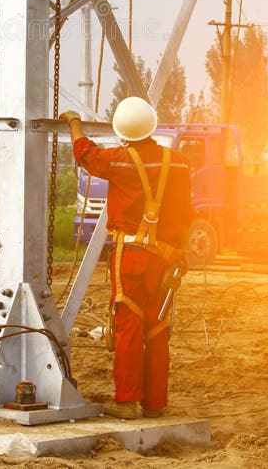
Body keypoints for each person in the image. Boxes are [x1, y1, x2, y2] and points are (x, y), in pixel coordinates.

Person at [60, 96, 193, 419]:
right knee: (158, 326)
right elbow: (186, 211)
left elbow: (86, 155)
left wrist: (74, 123)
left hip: (131, 253)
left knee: (129, 324)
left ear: (122, 132)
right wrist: (181, 250)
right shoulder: (176, 162)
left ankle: (128, 400)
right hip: (164, 256)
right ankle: (155, 403)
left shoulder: (120, 159)